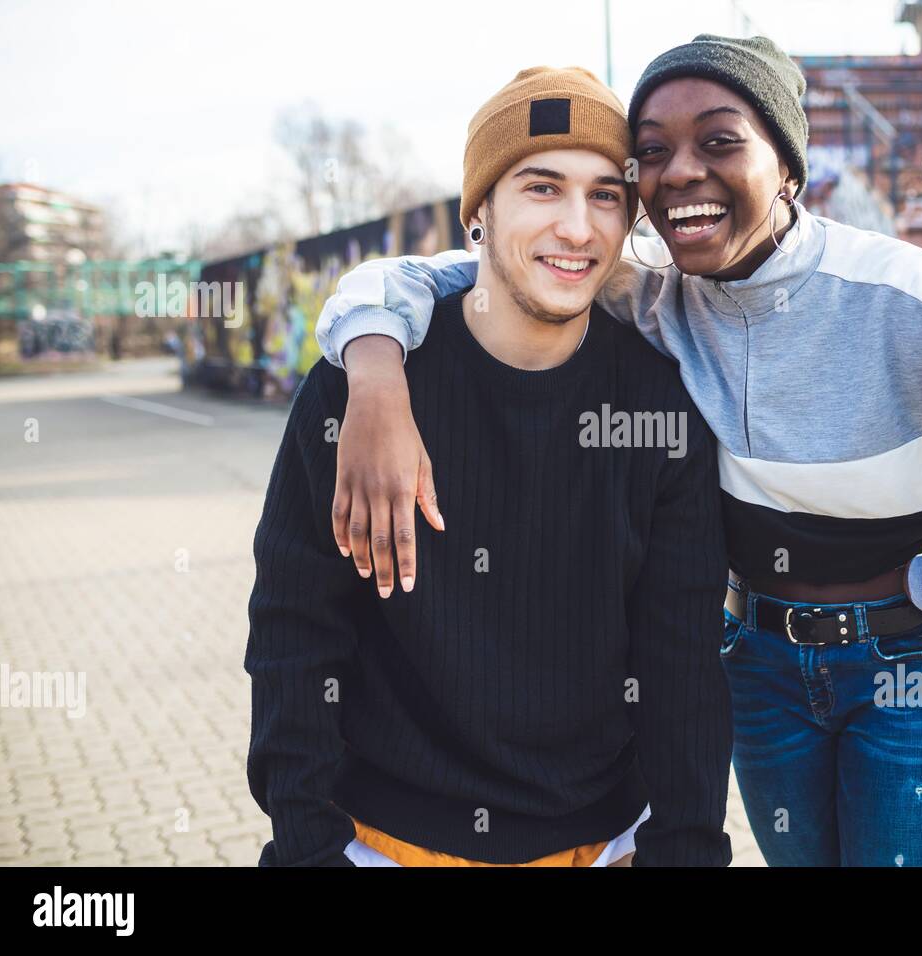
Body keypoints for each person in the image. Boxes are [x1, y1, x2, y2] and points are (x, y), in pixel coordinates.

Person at [312, 35, 922, 866]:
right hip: (755, 667)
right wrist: (377, 373)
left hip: (905, 671)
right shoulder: (649, 294)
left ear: (789, 167)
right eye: (651, 152)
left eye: (720, 140)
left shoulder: (909, 300)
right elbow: (457, 270)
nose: (682, 170)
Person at [245, 65, 733, 868]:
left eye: (606, 194)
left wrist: (685, 850)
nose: (578, 227)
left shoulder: (659, 407)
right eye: (542, 188)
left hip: (598, 841)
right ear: (479, 212)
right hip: (385, 843)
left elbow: (680, 662)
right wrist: (307, 844)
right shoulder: (360, 390)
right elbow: (294, 632)